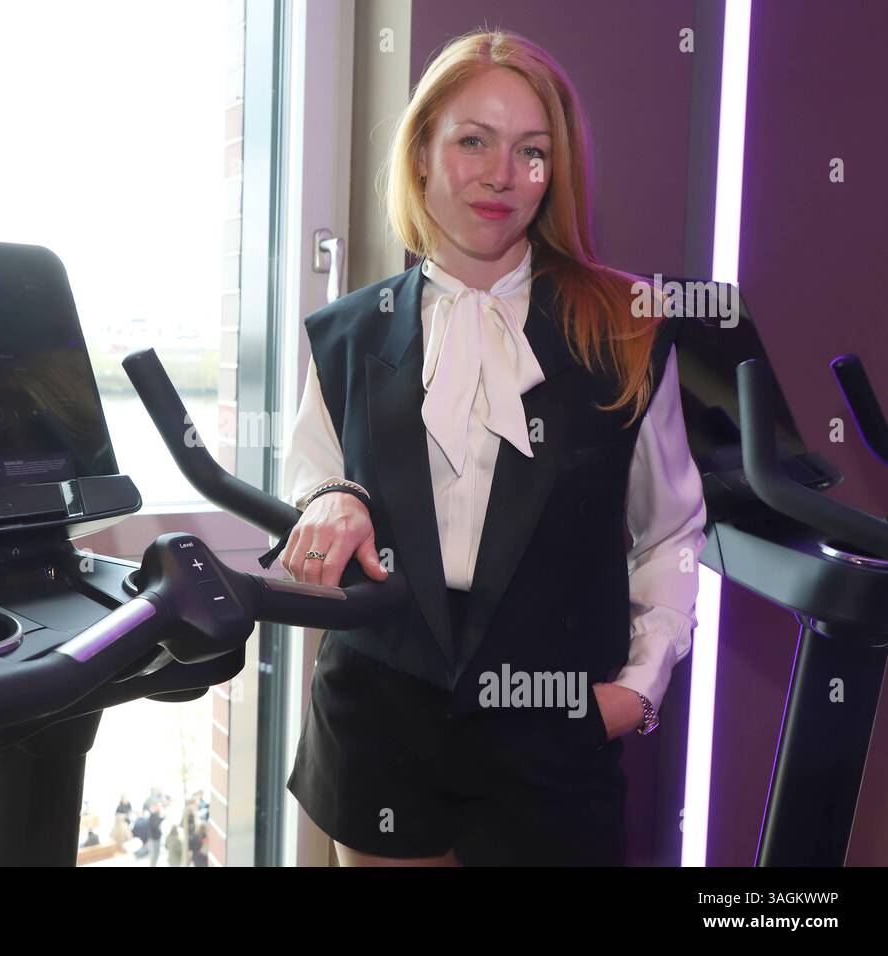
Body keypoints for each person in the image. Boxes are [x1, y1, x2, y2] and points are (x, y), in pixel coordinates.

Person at [273, 29, 706, 867]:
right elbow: (315, 470)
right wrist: (332, 497)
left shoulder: (630, 329)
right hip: (379, 725)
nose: (502, 174)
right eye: (473, 140)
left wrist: (639, 688)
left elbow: (673, 531)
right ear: (424, 155)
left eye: (531, 150)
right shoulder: (346, 334)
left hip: (553, 735)